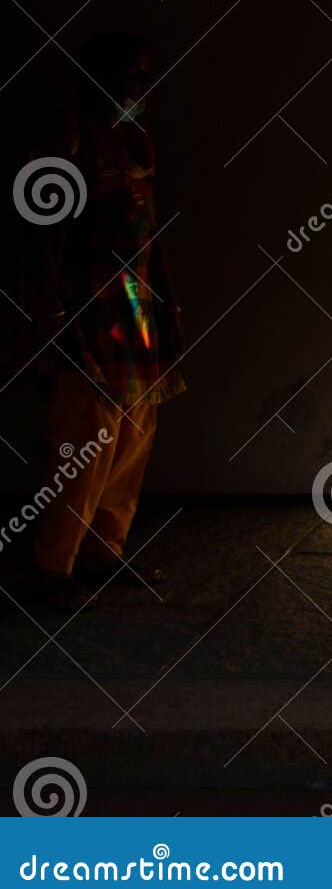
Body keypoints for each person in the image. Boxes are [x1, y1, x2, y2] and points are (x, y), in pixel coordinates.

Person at [28, 33, 185, 609]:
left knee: (135, 430)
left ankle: (104, 550)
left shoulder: (136, 140)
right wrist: (49, 314)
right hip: (86, 304)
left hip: (135, 304)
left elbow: (151, 228)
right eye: (129, 76)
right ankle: (53, 566)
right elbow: (43, 235)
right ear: (97, 79)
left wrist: (167, 301)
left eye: (144, 76)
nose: (140, 88)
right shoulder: (69, 141)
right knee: (84, 433)